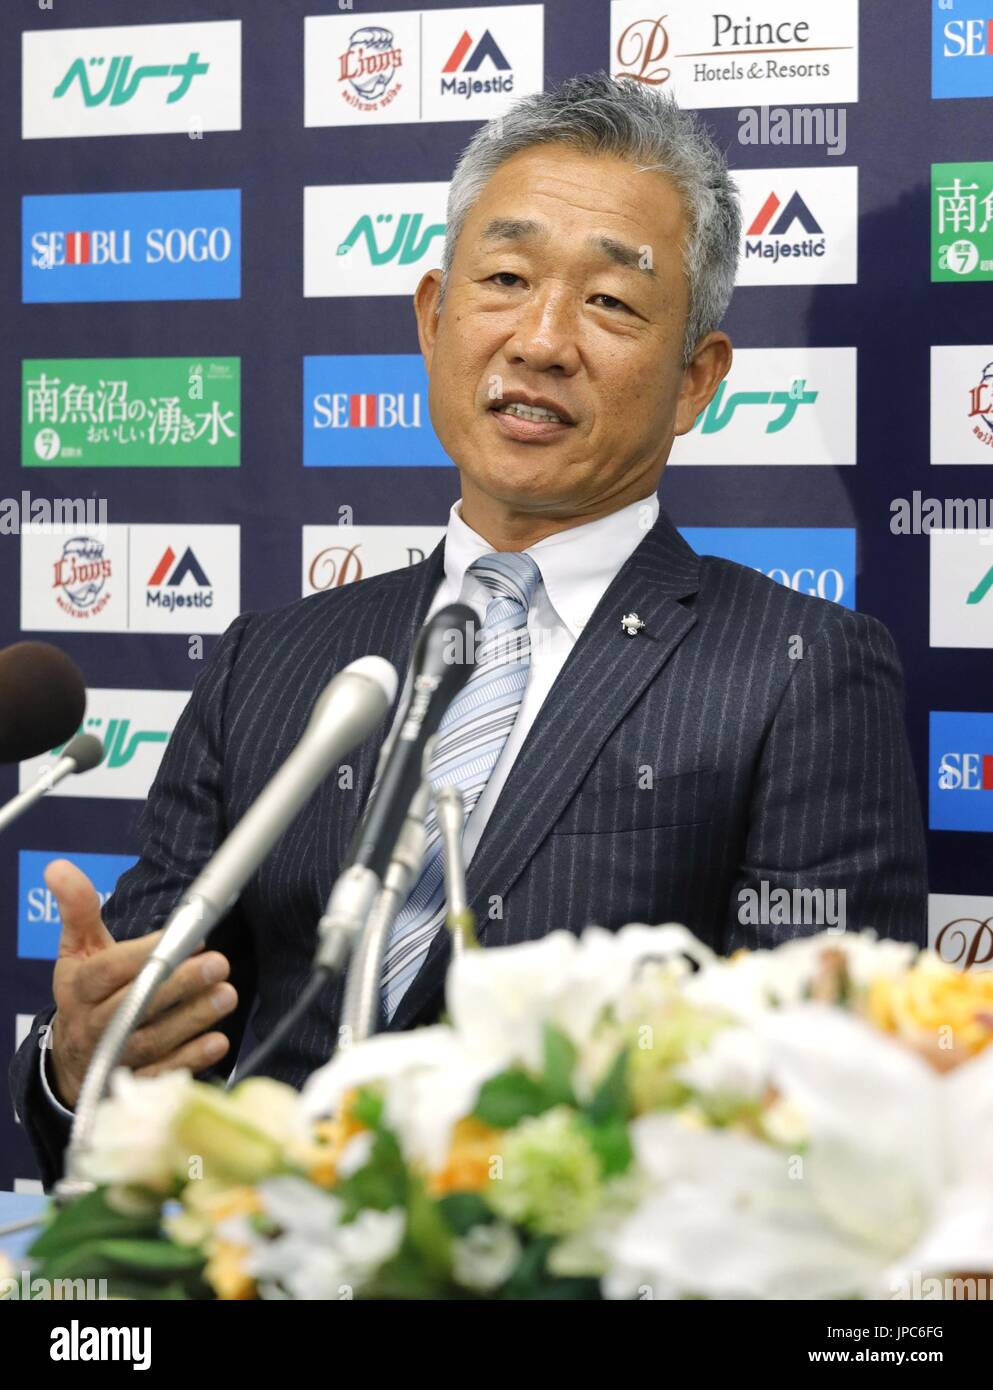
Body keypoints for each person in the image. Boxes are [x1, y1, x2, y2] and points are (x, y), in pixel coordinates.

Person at [10, 74, 927, 1188]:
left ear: (696, 378)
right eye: (504, 279)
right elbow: (133, 1089)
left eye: (611, 304)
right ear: (432, 316)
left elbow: (836, 1118)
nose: (541, 340)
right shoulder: (275, 660)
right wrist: (81, 1061)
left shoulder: (799, 672)